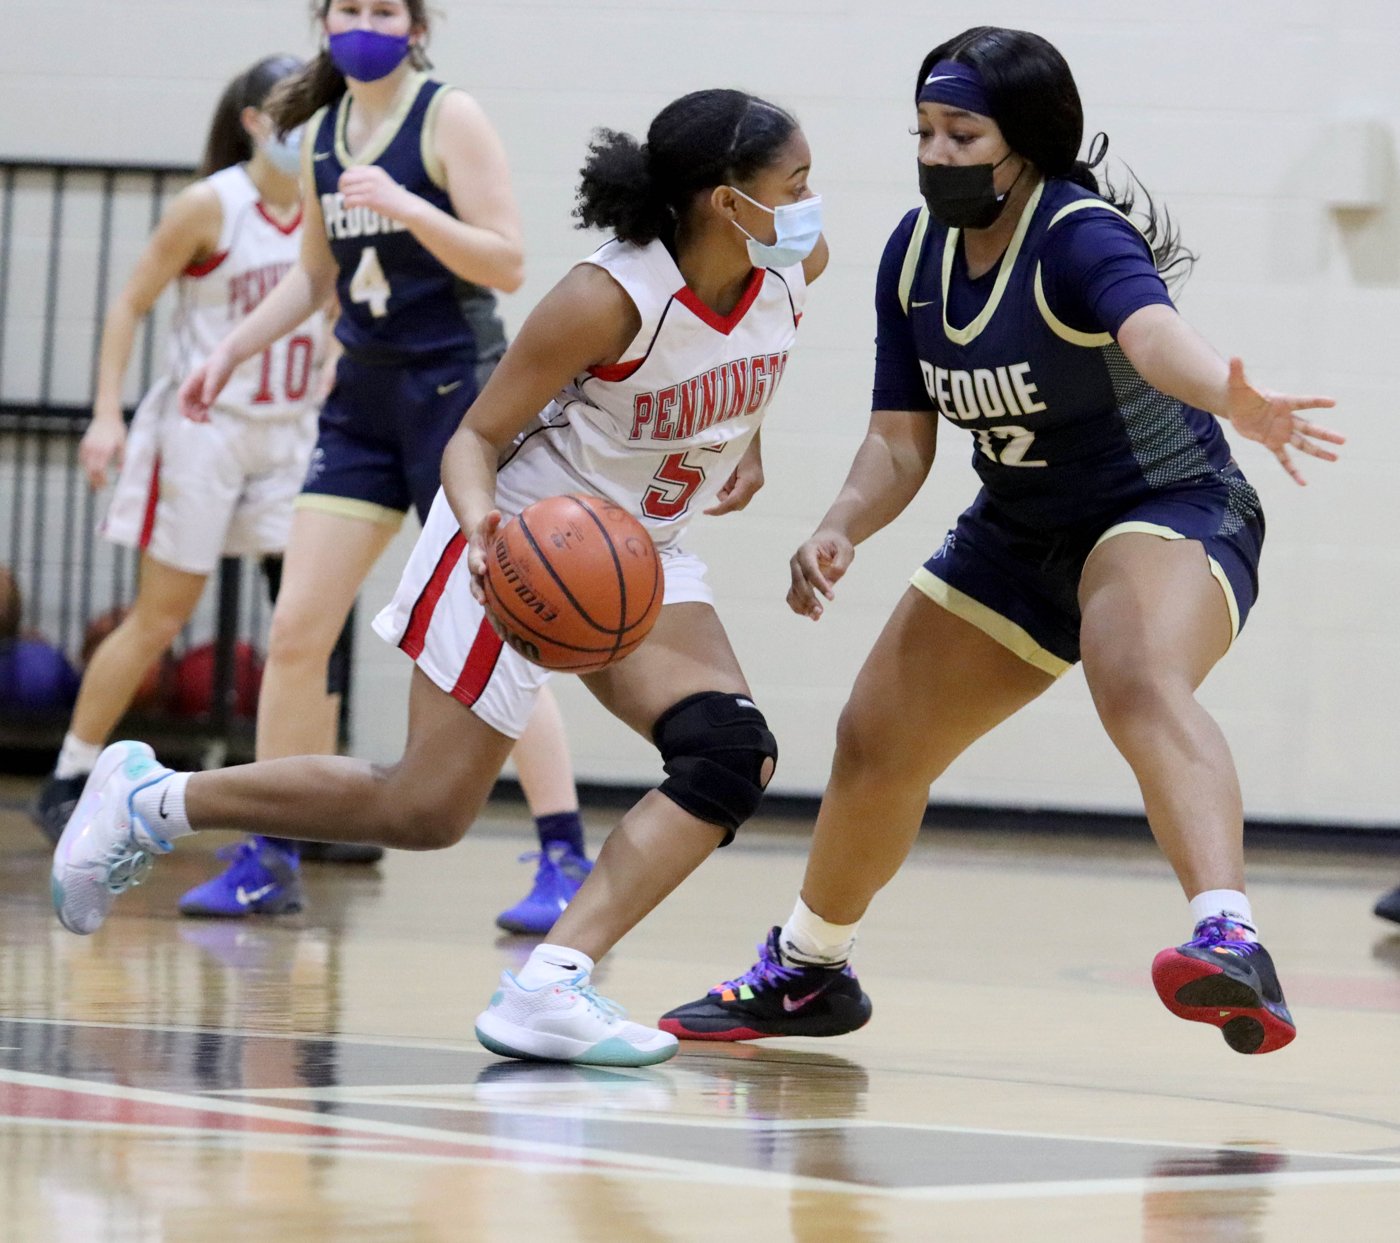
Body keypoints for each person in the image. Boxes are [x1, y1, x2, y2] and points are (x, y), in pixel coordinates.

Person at [52, 86, 826, 1070]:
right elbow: (474, 437)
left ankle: (550, 985)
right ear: (725, 200)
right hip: (524, 537)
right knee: (424, 808)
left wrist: (741, 443)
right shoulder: (608, 297)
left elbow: (755, 350)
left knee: (727, 754)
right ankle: (151, 798)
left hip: (643, 550)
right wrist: (484, 532)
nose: (811, 202)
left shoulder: (792, 261)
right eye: (794, 183)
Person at [660, 27, 1343, 1058]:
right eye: (923, 132)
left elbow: (1153, 338)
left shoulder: (1078, 235)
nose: (934, 152)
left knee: (1133, 671)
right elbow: (899, 440)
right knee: (872, 736)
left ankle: (1228, 937)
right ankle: (807, 970)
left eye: (960, 133)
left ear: (1021, 141)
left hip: (1165, 503)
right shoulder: (912, 254)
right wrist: (839, 523)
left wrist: (1229, 395)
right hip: (1017, 527)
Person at [165, 0, 588, 927]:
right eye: (348, 7)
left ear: (414, 23)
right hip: (360, 404)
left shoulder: (448, 117)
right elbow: (312, 279)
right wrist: (227, 351)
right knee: (296, 631)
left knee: (503, 631)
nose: (365, 21)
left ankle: (563, 854)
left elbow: (509, 261)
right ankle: (267, 851)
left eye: (383, 8)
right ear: (324, 22)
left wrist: (406, 206)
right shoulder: (316, 135)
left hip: (456, 401)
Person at [29, 54, 328, 844]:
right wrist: (105, 415)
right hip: (205, 429)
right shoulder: (211, 204)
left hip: (292, 431)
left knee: (308, 626)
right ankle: (71, 769)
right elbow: (129, 304)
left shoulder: (332, 202)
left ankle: (317, 800)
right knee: (162, 616)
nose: (300, 127)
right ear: (253, 122)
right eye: (286, 112)